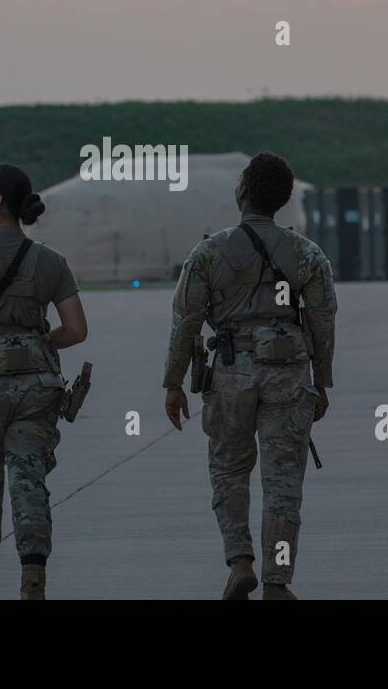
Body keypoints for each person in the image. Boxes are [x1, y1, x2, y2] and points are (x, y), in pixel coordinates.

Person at [163, 151, 337, 599]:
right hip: (289, 373)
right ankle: (278, 582)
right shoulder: (307, 254)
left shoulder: (208, 252)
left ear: (241, 193)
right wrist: (323, 380)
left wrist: (173, 382)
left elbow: (185, 319)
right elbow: (321, 320)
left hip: (231, 372)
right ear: (283, 199)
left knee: (228, 469)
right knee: (283, 482)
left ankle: (240, 561)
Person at [0, 163, 87, 600]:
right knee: (28, 483)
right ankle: (33, 583)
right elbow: (76, 330)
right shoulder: (51, 262)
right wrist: (37, 342)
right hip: (35, 389)